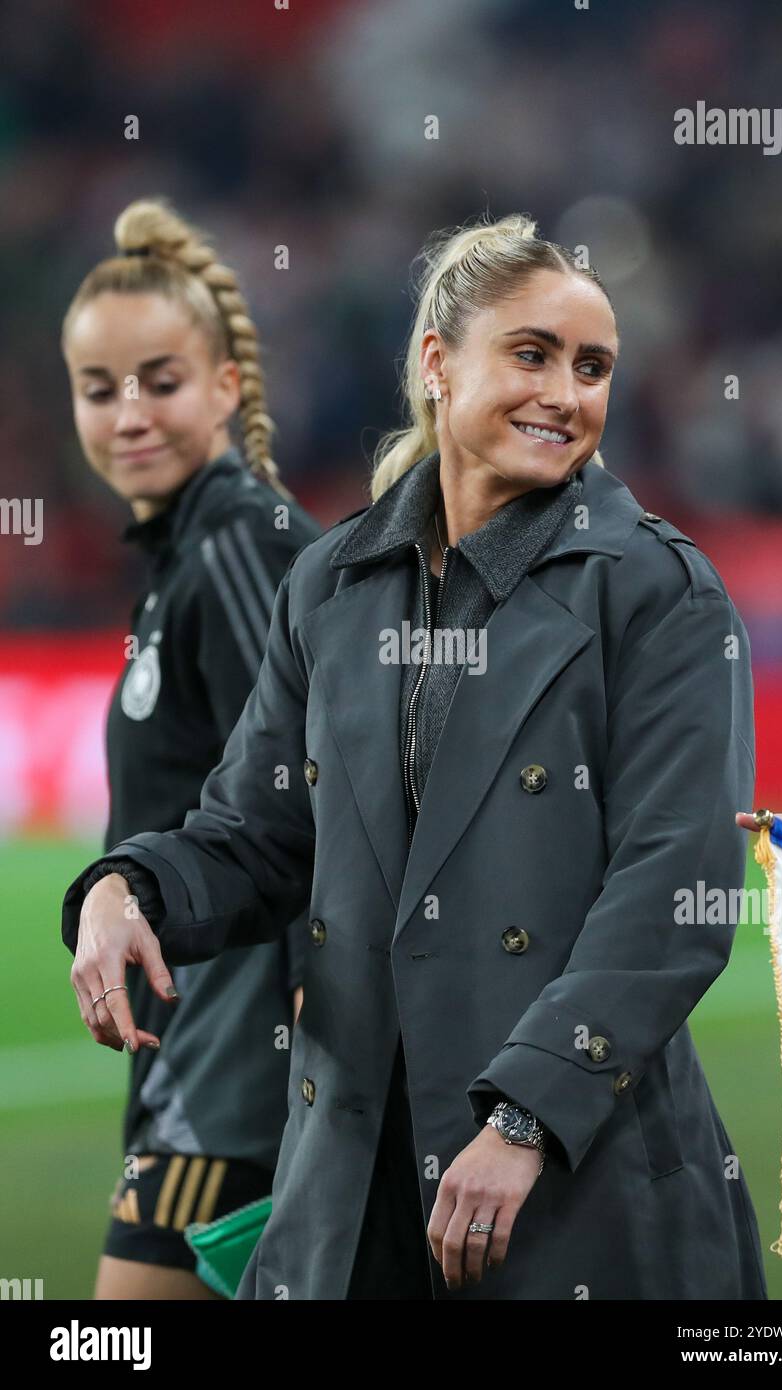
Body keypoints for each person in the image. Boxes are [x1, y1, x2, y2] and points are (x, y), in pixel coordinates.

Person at [63, 212, 766, 1300]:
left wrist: (527, 1115)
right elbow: (257, 830)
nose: (564, 393)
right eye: (529, 354)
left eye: (591, 367)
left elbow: (675, 888)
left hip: (570, 1178)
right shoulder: (330, 587)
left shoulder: (658, 589)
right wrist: (131, 884)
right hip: (355, 1187)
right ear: (438, 363)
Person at [60, 197, 321, 1299]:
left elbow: (320, 788)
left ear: (225, 386)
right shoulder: (192, 557)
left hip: (239, 1062)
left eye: (160, 380)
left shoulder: (237, 548)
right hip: (200, 1050)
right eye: (98, 387)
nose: (128, 413)